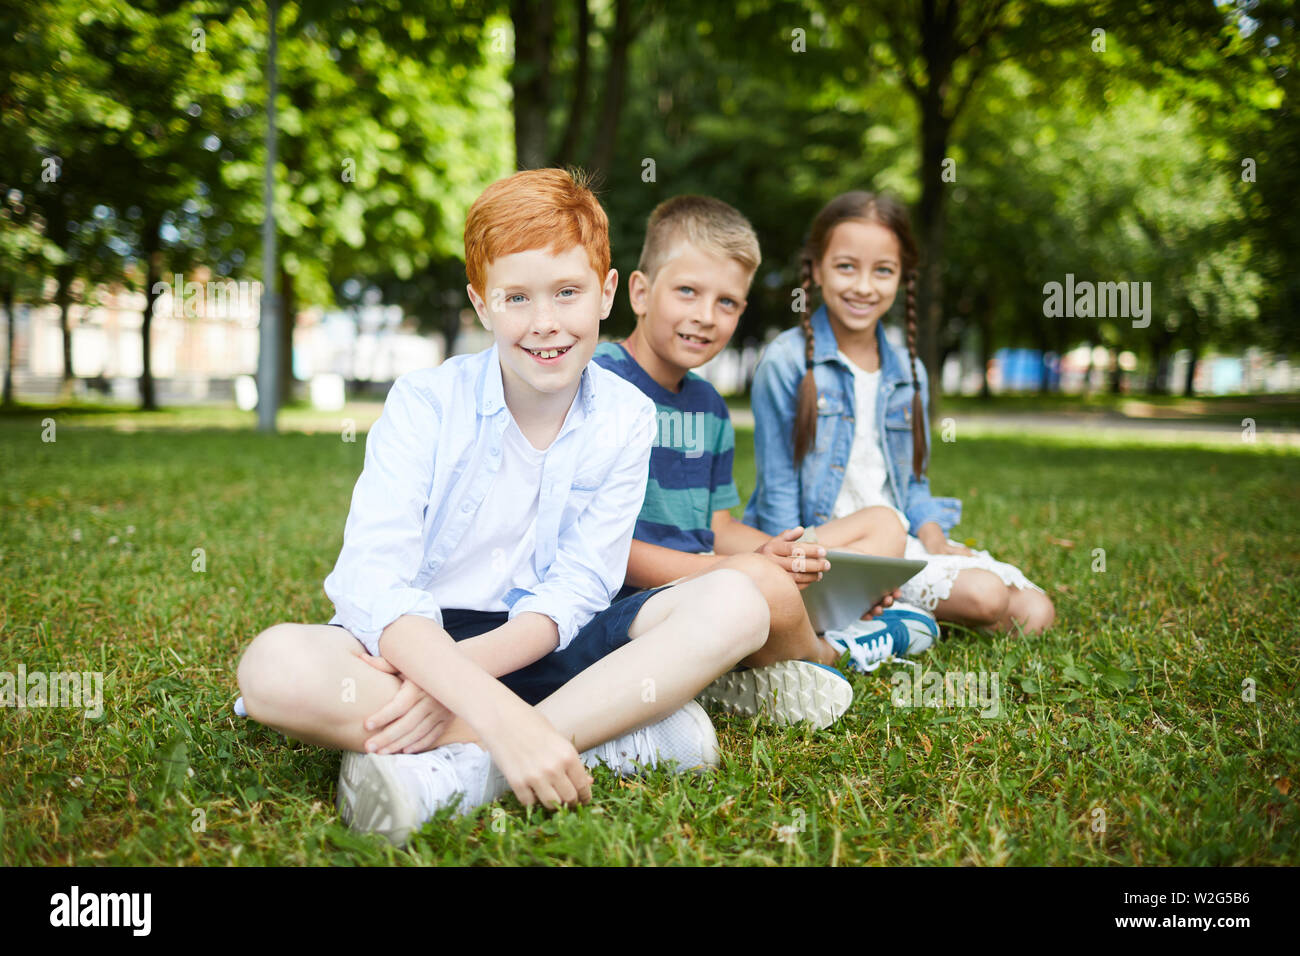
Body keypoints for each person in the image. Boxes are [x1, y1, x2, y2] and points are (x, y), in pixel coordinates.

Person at [235, 169, 772, 847]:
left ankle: (464, 771)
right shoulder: (424, 403)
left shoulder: (628, 417)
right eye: (516, 297)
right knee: (272, 667)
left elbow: (580, 587)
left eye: (568, 293)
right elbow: (372, 581)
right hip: (417, 647)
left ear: (606, 294)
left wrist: (468, 688)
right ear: (481, 304)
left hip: (549, 640)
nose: (545, 324)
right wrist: (481, 699)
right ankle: (601, 736)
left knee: (738, 602)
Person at [594, 195, 937, 722]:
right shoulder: (601, 384)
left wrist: (783, 552)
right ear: (640, 292)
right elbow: (600, 549)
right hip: (628, 601)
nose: (705, 317)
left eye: (727, 303)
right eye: (687, 291)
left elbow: (720, 526)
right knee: (762, 584)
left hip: (710, 577)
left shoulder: (708, 407)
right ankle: (830, 653)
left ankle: (745, 656)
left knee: (882, 527)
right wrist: (740, 568)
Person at [746, 190, 1055, 635]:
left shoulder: (909, 373)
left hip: (898, 538)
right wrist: (791, 574)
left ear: (903, 277)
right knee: (986, 596)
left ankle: (887, 609)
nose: (864, 286)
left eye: (883, 270)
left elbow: (912, 482)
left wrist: (935, 539)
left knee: (1036, 613)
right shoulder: (786, 362)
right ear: (815, 268)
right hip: (829, 546)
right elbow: (777, 491)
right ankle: (866, 608)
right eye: (846, 266)